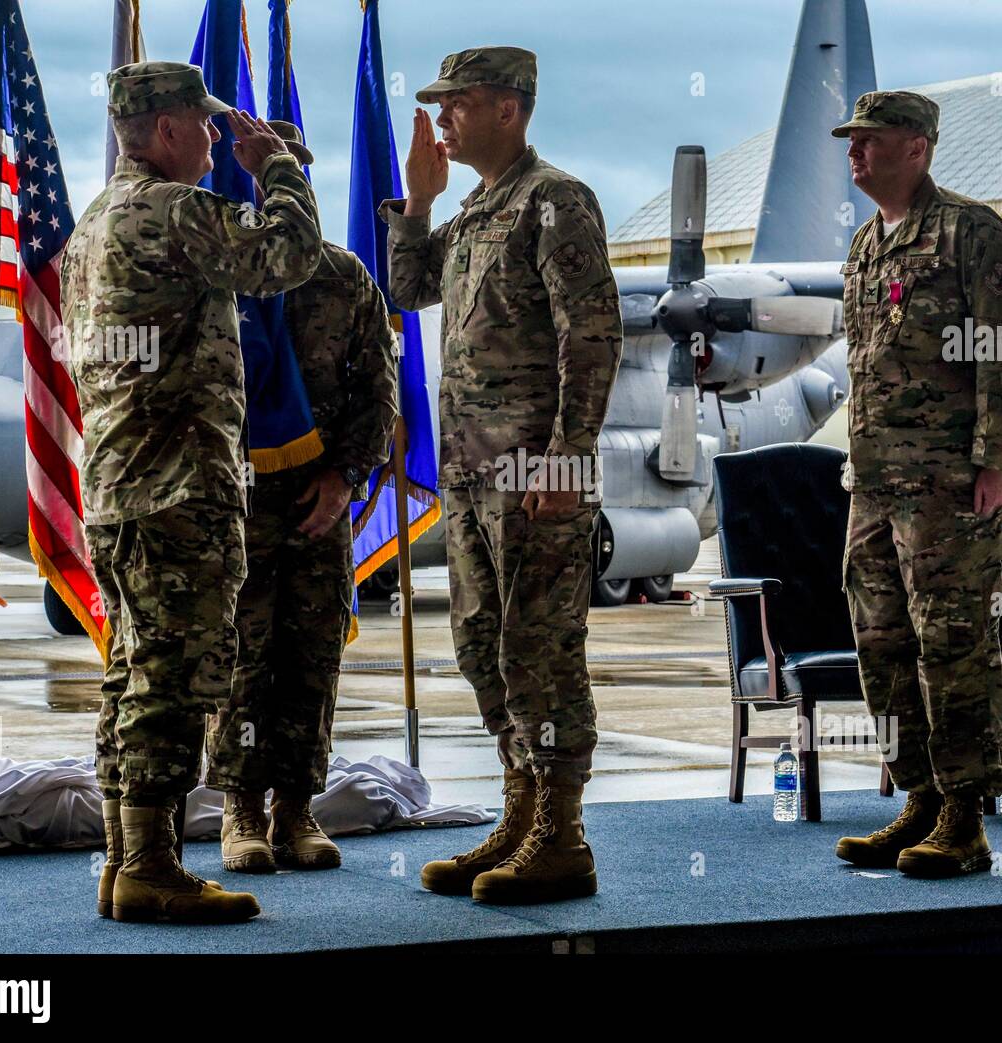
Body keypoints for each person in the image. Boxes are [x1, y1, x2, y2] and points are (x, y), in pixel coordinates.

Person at [61, 61, 321, 921]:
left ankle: (124, 857)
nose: (214, 139)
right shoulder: (172, 213)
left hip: (118, 488)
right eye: (204, 126)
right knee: (171, 678)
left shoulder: (95, 221)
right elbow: (287, 256)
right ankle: (151, 868)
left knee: (134, 673)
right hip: (175, 491)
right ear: (167, 129)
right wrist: (278, 165)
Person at [380, 46, 622, 903]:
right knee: (484, 647)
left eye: (458, 103)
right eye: (441, 104)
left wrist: (569, 450)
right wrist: (418, 202)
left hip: (534, 476)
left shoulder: (554, 201)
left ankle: (564, 834)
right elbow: (408, 287)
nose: (443, 118)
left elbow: (590, 334)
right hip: (472, 474)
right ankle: (520, 815)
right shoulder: (483, 206)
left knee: (540, 651)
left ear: (510, 108)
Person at [829, 91, 1002, 877]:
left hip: (951, 484)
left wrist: (997, 461)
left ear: (916, 148)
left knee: (954, 642)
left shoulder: (970, 233)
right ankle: (915, 796)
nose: (855, 153)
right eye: (852, 141)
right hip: (875, 483)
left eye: (870, 141)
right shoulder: (864, 245)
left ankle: (964, 815)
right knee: (881, 642)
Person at [205, 121, 398, 874]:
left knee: (312, 657)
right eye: (250, 175)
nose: (266, 188)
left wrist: (345, 476)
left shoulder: (344, 278)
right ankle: (241, 809)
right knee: (242, 658)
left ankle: (297, 808)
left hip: (317, 498)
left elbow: (376, 395)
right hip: (236, 497)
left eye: (281, 173)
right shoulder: (219, 272)